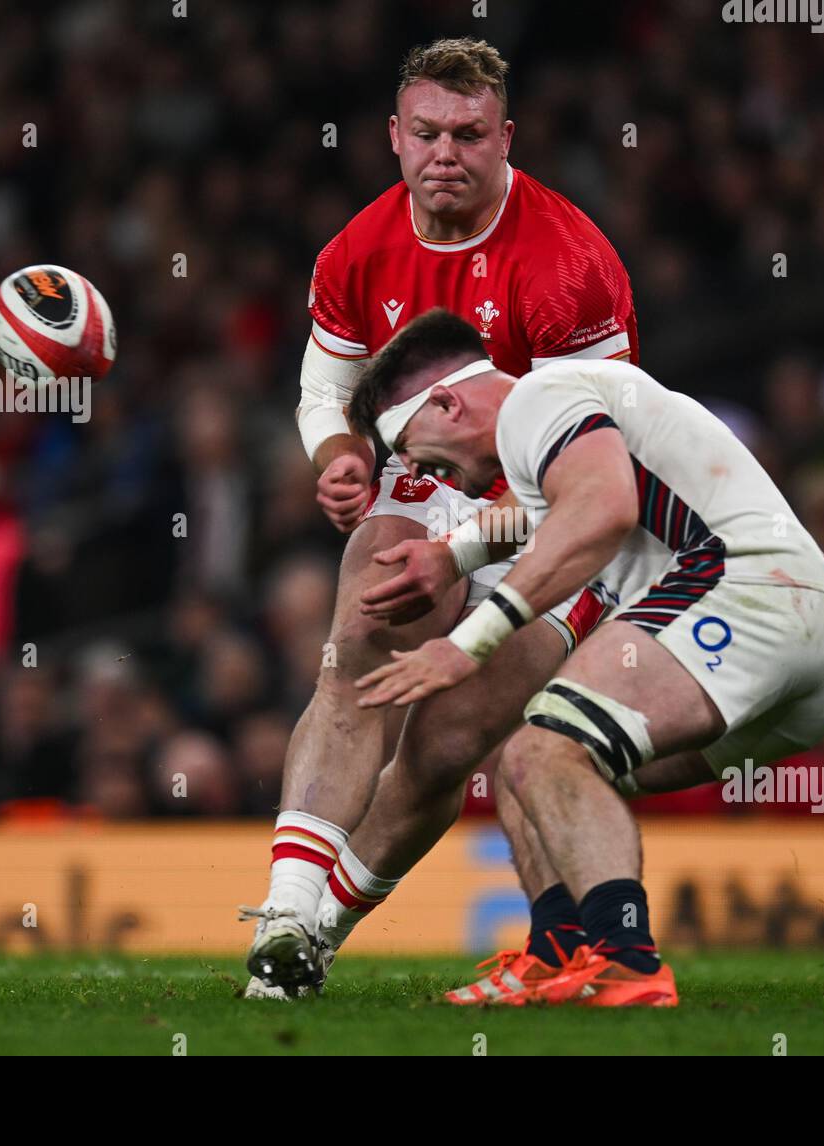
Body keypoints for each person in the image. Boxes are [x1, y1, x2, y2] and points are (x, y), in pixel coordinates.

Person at [352, 308, 824, 1006]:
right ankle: (558, 955)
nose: (438, 478)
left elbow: (601, 509)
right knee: (528, 767)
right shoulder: (606, 429)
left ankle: (627, 960)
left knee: (542, 754)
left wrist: (467, 642)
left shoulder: (538, 401)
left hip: (744, 600)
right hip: (820, 662)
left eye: (424, 457)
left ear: (448, 402)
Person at [241, 37, 639, 998]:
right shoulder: (357, 248)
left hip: (554, 517)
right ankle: (287, 909)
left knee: (449, 743)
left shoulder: (568, 264)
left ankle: (314, 937)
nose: (444, 153)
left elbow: (582, 484)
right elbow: (322, 385)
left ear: (508, 137)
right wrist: (337, 457)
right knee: (357, 645)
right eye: (426, 133)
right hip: (434, 482)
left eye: (469, 133)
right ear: (393, 137)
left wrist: (460, 551)